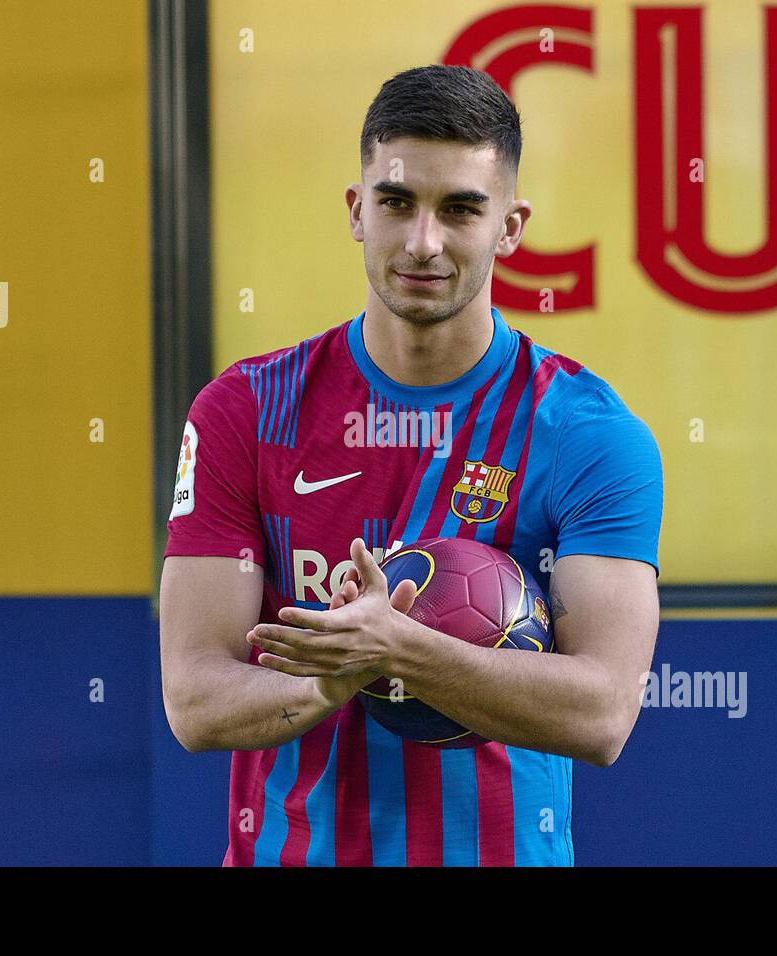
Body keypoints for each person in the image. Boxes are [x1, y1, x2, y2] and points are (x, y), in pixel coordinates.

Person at [159, 64, 662, 866]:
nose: (423, 241)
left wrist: (398, 651)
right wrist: (322, 687)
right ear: (358, 211)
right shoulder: (243, 411)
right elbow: (193, 699)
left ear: (511, 227)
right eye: (397, 203)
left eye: (461, 209)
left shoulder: (588, 435)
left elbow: (603, 715)